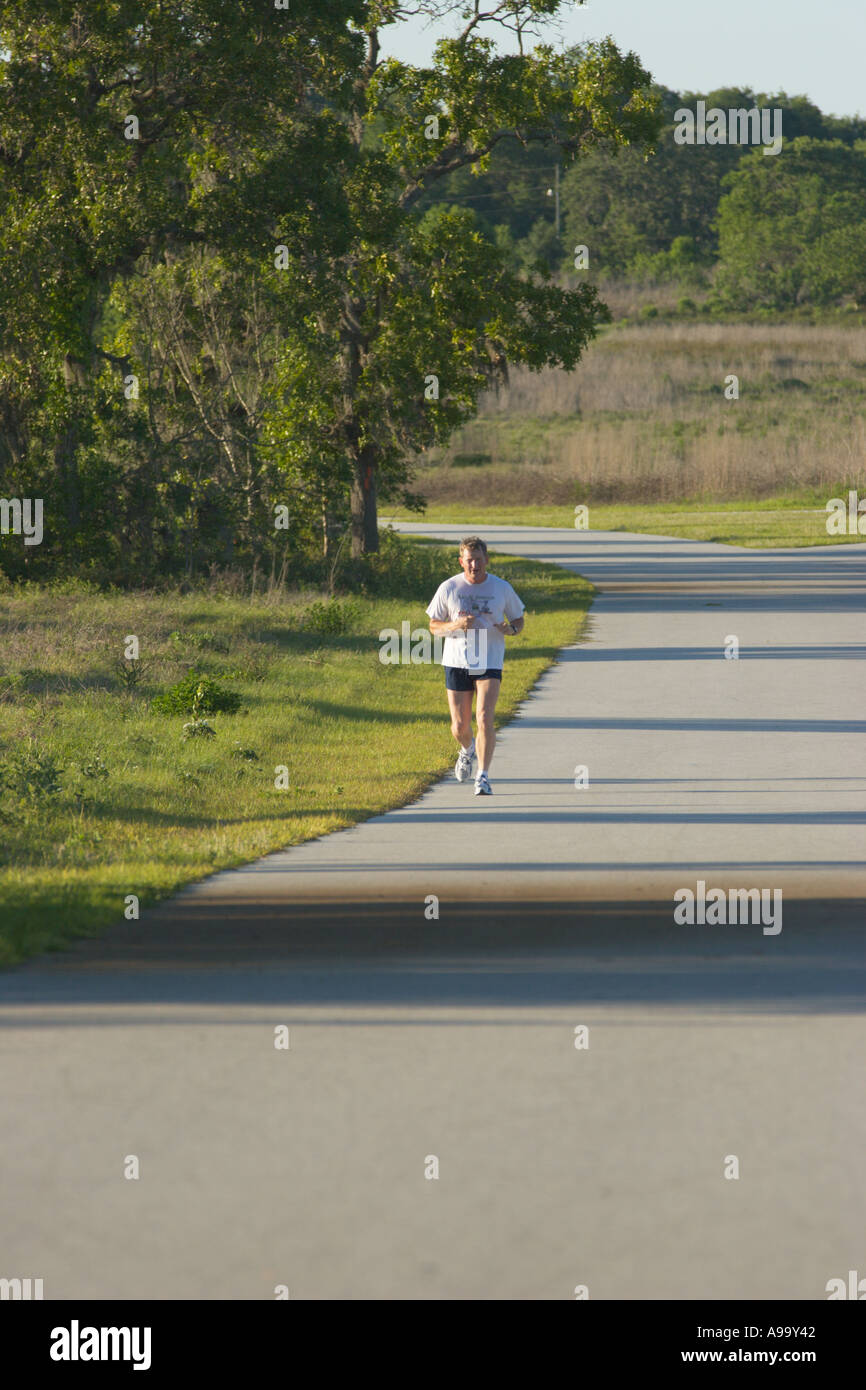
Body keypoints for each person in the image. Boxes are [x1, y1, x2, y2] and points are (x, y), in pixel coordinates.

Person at [426, 536, 525, 795]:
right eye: (469, 561)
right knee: (459, 726)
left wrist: (511, 629)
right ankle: (467, 750)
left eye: (478, 560)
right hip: (456, 660)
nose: (474, 565)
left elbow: (518, 618)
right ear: (461, 562)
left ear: (486, 560)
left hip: (489, 658)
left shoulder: (501, 588)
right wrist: (455, 625)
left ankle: (483, 776)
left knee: (483, 717)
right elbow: (433, 626)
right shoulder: (449, 588)